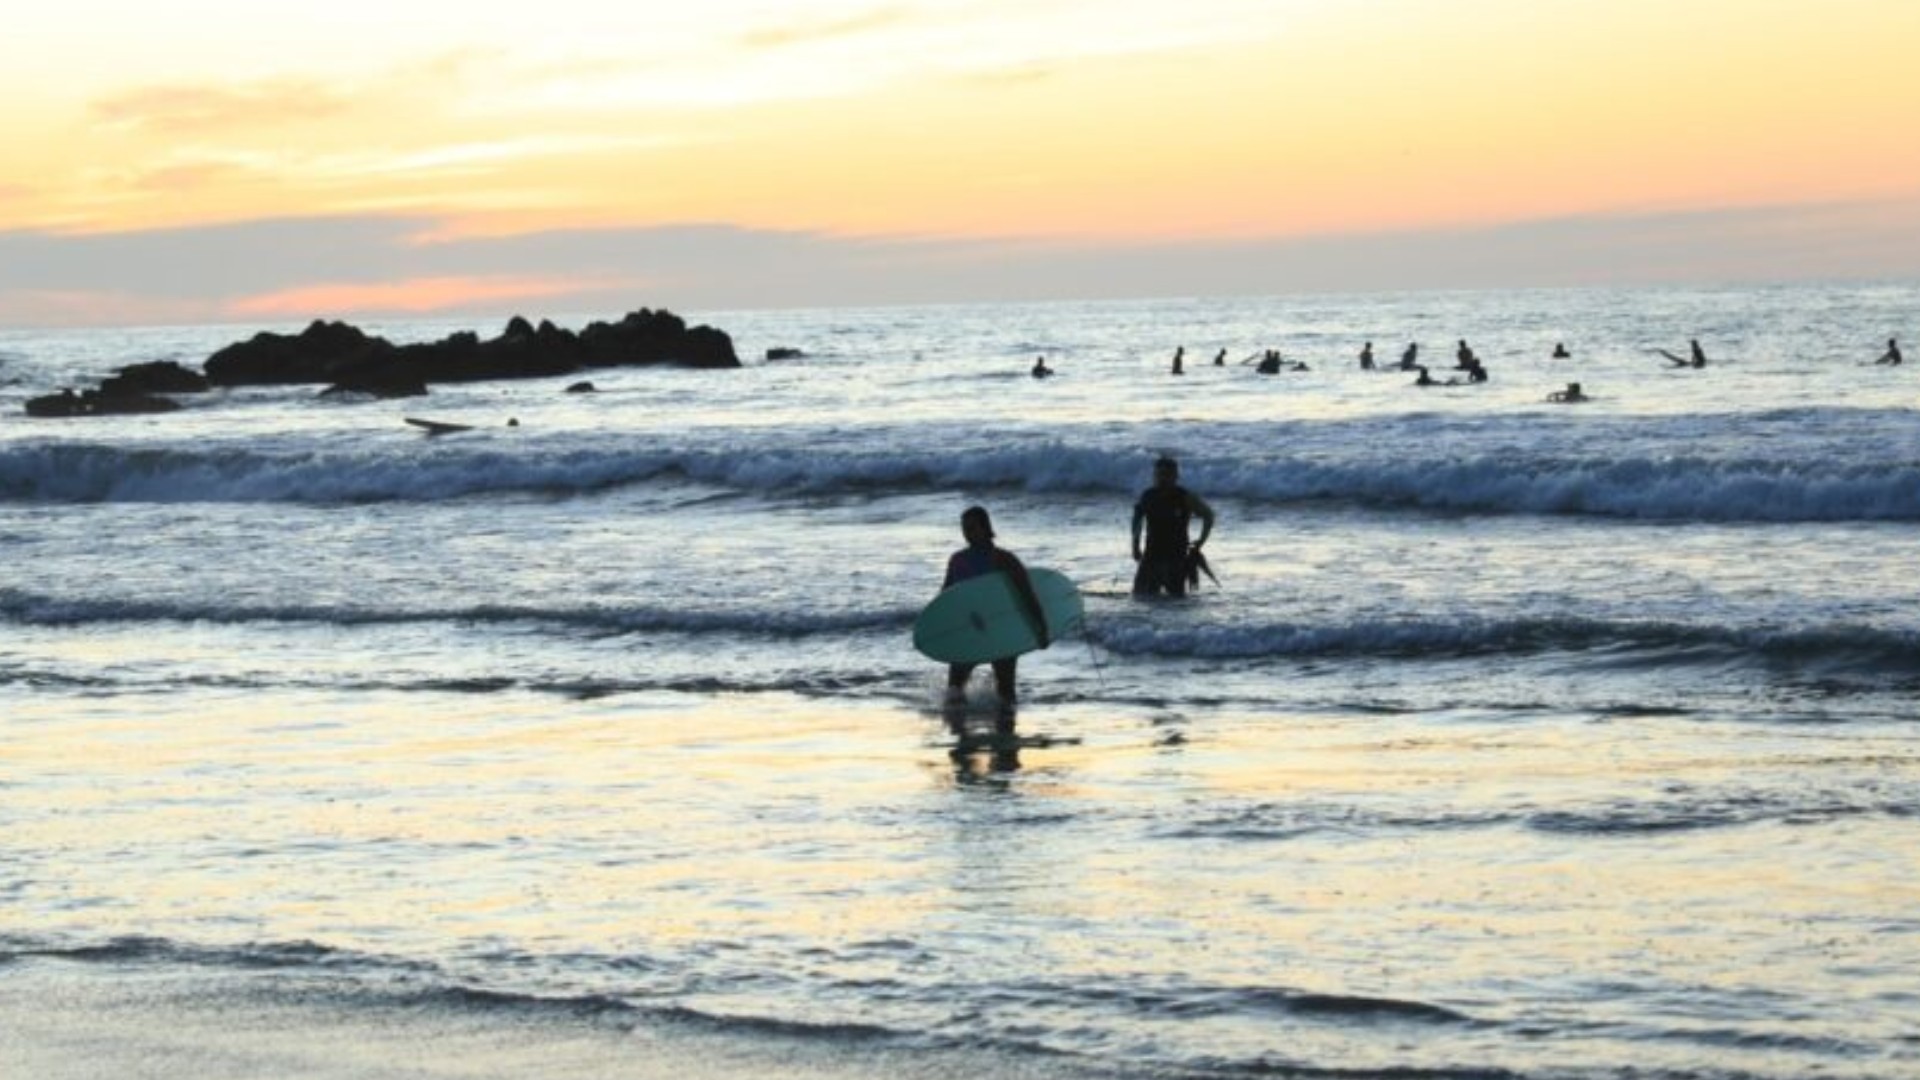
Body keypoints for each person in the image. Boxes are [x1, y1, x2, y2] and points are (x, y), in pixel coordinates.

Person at [942, 506, 1049, 713]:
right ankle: (958, 729)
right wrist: (945, 631)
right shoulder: (957, 561)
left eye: (971, 528)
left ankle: (1006, 730)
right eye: (964, 529)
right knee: (954, 691)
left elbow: (1027, 596)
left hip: (1001, 630)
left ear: (985, 528)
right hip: (969, 630)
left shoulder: (1004, 559)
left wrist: (1041, 629)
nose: (967, 533)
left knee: (1006, 692)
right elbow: (945, 599)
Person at [1131, 456, 1215, 598]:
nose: (1163, 479)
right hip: (1151, 555)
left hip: (1176, 557)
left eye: (1167, 475)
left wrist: (1201, 540)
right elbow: (1137, 522)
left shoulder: (1184, 497)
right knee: (1140, 597)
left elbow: (1208, 515)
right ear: (1154, 476)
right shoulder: (1148, 496)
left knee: (1176, 600)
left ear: (1176, 476)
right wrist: (1135, 546)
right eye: (1159, 474)